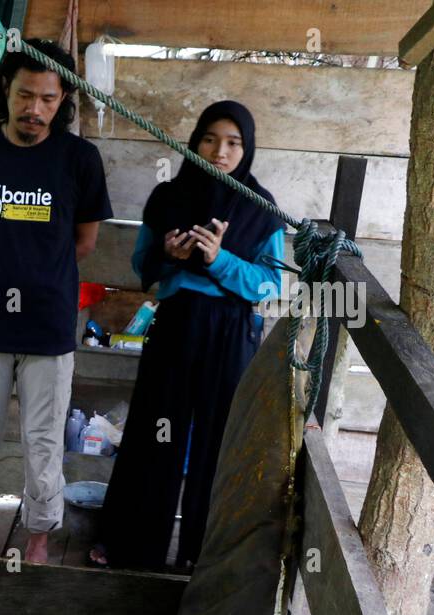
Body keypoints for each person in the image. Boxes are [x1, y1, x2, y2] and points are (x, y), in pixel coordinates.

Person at [89, 100, 284, 571]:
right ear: (195, 142)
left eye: (234, 143)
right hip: (177, 325)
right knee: (155, 433)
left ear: (248, 148)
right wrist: (170, 256)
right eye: (210, 139)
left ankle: (206, 554)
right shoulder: (168, 198)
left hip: (232, 333)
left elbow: (269, 287)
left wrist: (219, 260)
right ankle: (132, 547)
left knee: (220, 441)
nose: (220, 151)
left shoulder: (260, 208)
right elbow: (142, 266)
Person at [0, 39, 112, 565]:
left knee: (43, 442)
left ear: (62, 101)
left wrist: (40, 277)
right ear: (4, 92)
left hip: (48, 325)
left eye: (47, 98)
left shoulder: (79, 160)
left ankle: (38, 540)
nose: (34, 109)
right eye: (24, 95)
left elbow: (84, 241)